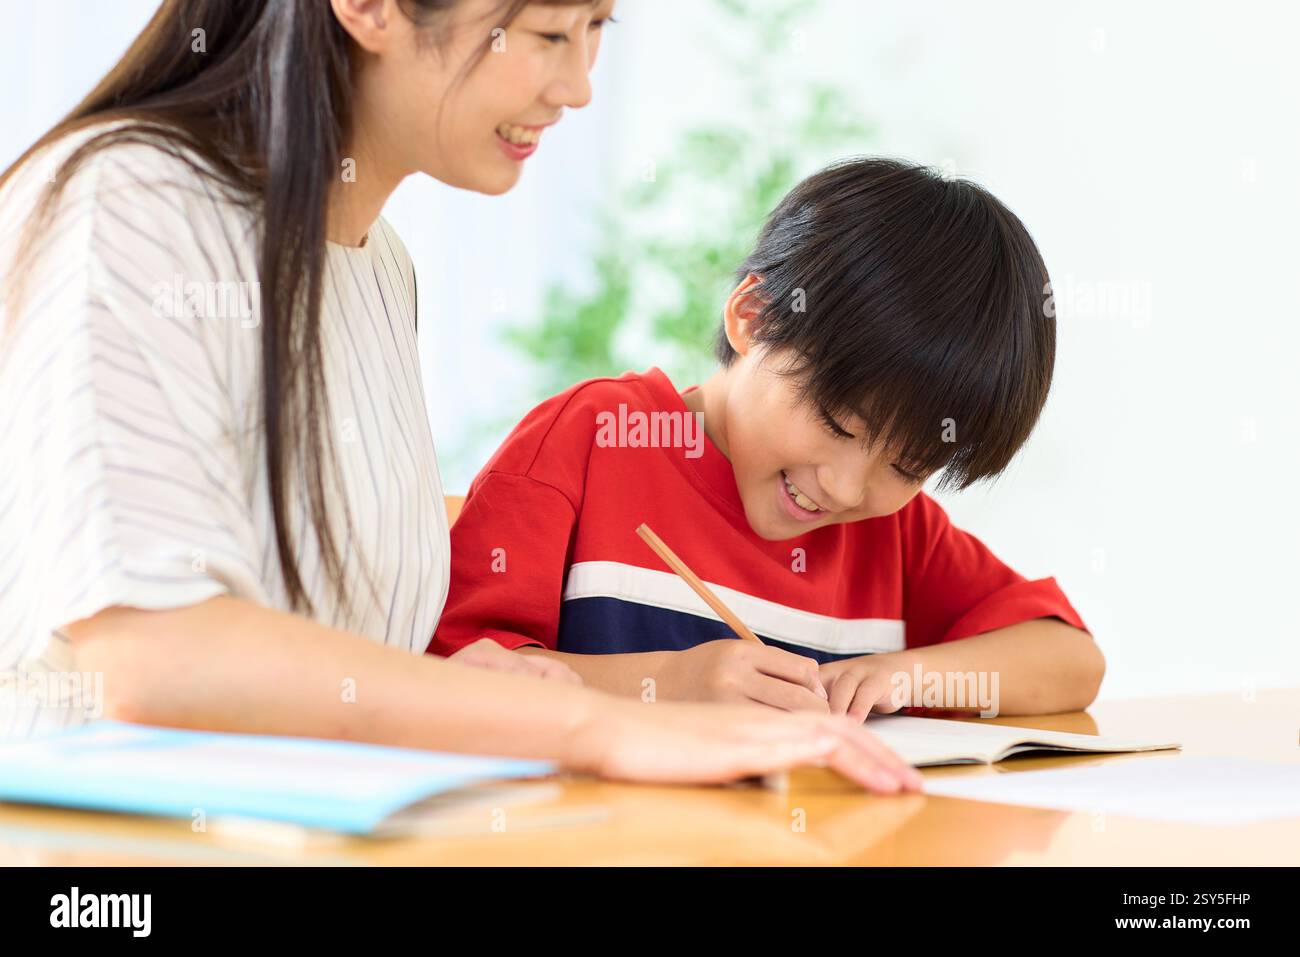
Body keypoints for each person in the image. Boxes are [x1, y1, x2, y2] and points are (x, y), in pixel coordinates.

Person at [0, 0, 921, 792]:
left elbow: (346, 656)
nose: (578, 85)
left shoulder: (377, 264)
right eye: (549, 31)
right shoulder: (131, 207)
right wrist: (607, 728)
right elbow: (153, 656)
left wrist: (493, 689)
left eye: (597, 27)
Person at [430, 157, 1106, 720]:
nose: (844, 485)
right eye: (838, 423)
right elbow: (455, 676)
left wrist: (907, 676)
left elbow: (1073, 661)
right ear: (752, 317)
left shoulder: (893, 535)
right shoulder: (593, 440)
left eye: (906, 465)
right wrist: (667, 683)